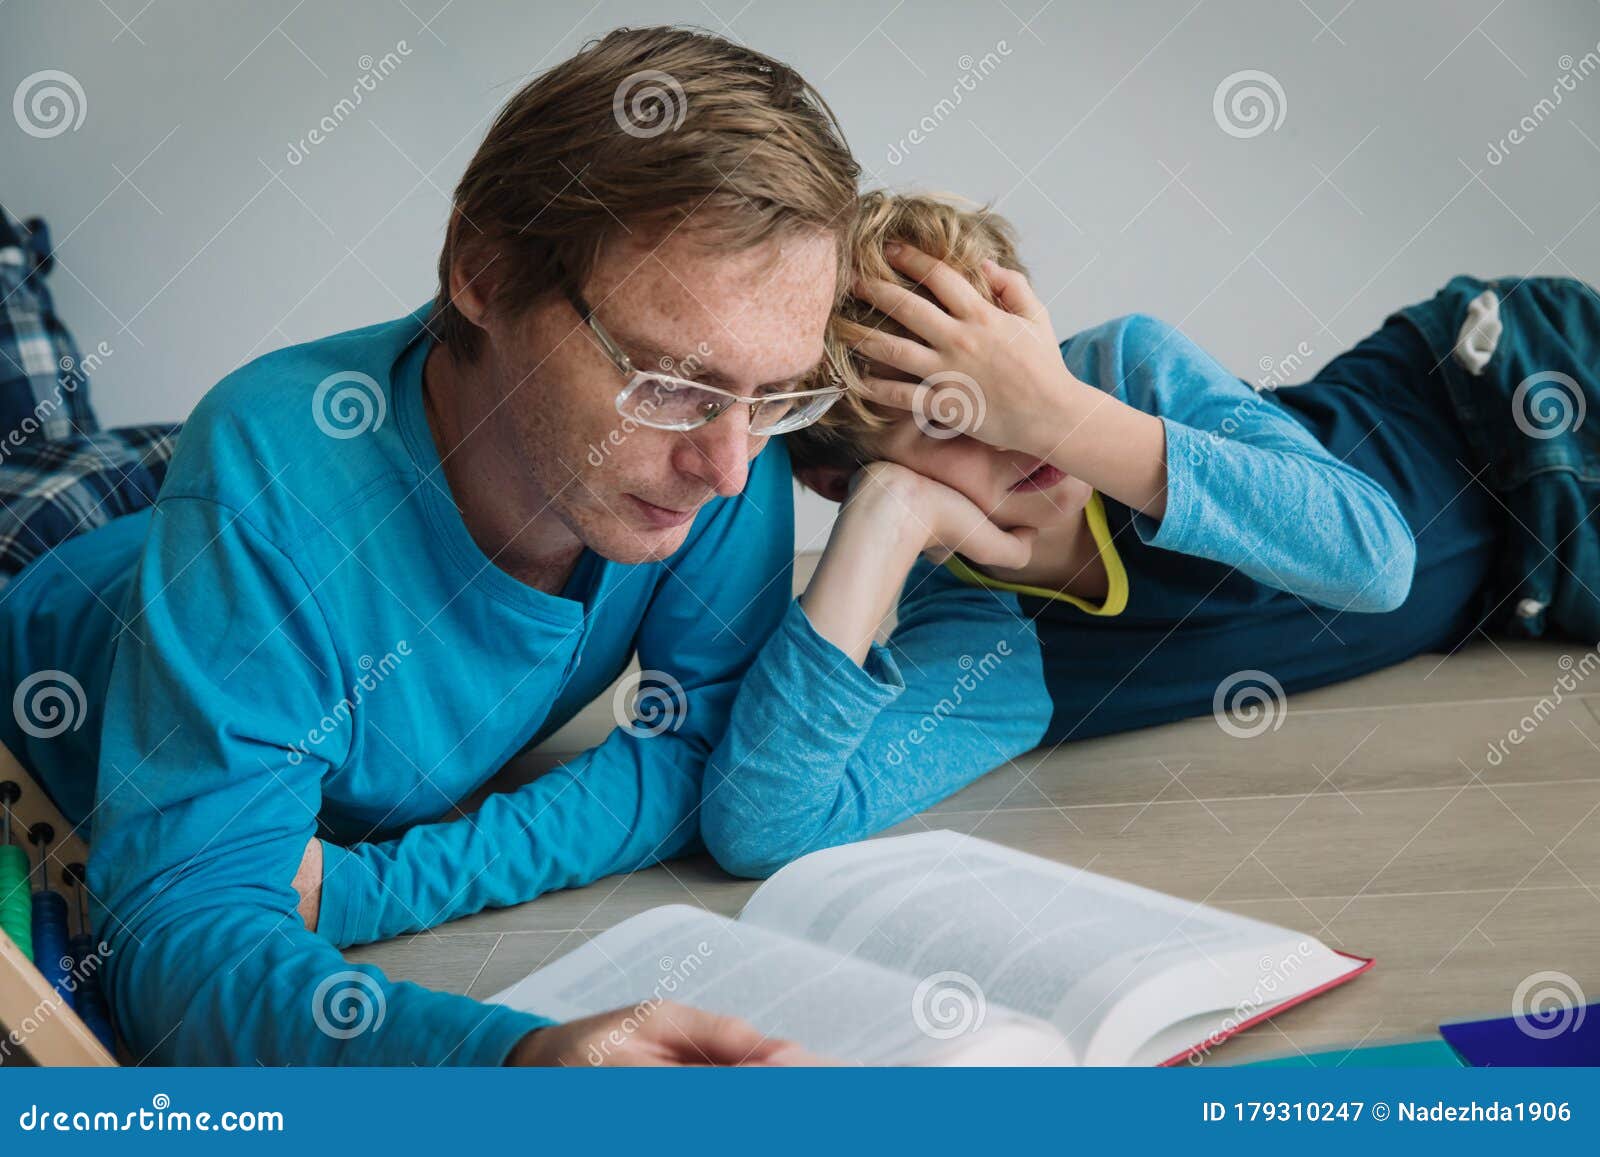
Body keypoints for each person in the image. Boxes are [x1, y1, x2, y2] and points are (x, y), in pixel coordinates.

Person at [0, 26, 857, 1065]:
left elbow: (707, 746)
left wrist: (391, 878)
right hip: (57, 585)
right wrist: (511, 1065)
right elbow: (181, 940)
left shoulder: (726, 435)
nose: (728, 466)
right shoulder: (275, 478)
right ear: (483, 271)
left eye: (774, 394)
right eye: (667, 381)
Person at [700, 191, 1600, 879]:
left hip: (1515, 385)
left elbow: (1373, 554)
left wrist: (1057, 409)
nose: (1015, 430)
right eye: (951, 418)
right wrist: (882, 521)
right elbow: (762, 823)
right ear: (841, 481)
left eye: (1014, 370)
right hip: (1534, 582)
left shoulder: (1125, 372)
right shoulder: (988, 647)